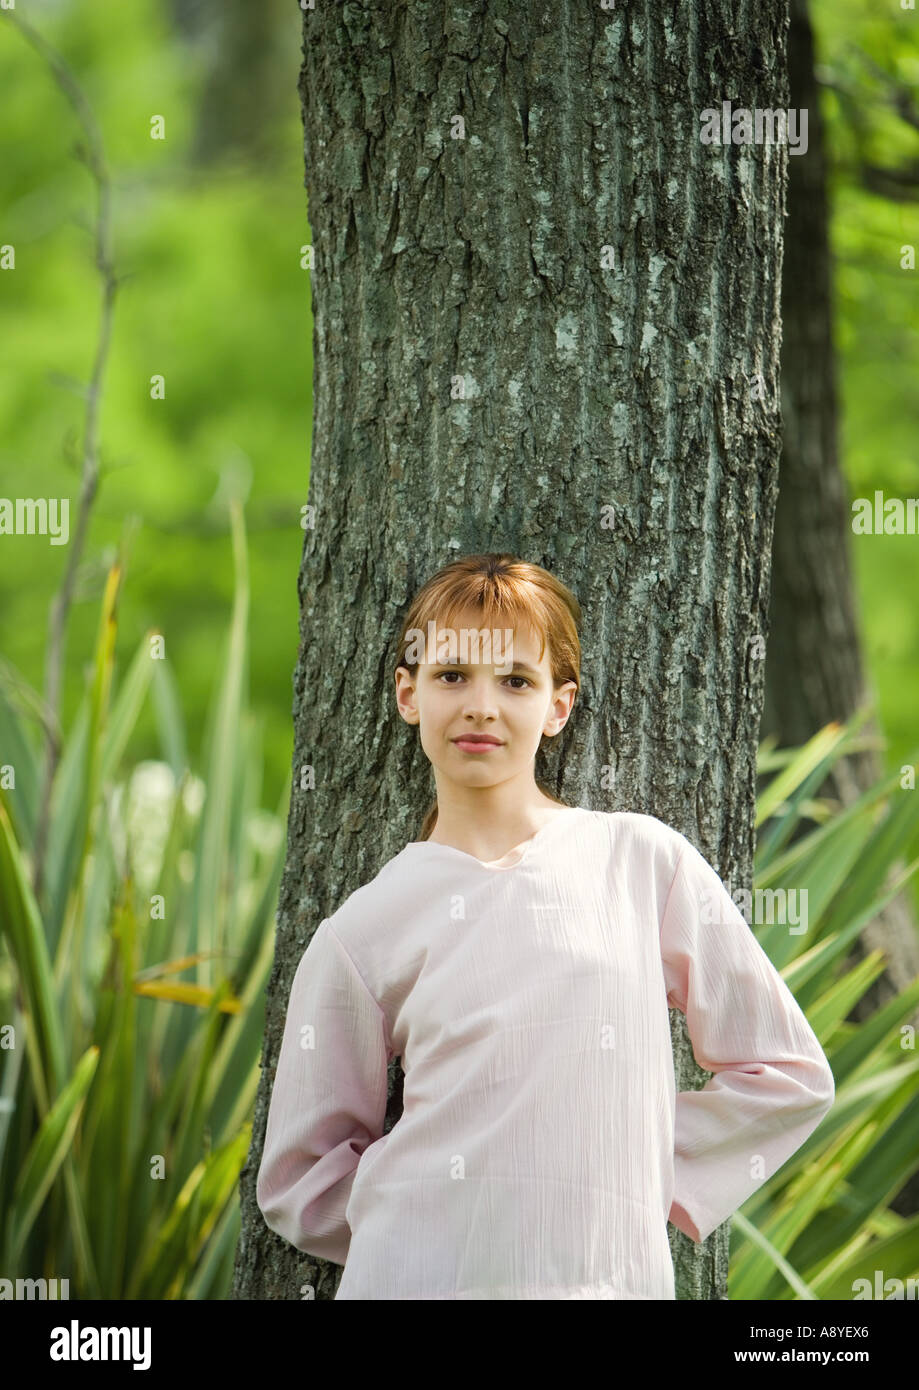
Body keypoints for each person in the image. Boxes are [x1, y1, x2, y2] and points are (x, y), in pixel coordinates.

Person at [255, 552, 836, 1299]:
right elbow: (299, 1178)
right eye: (452, 675)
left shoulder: (639, 864)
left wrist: (626, 1165)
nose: (480, 706)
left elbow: (785, 1075)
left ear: (557, 707)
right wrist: (440, 1206)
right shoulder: (363, 928)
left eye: (516, 681)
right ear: (409, 694)